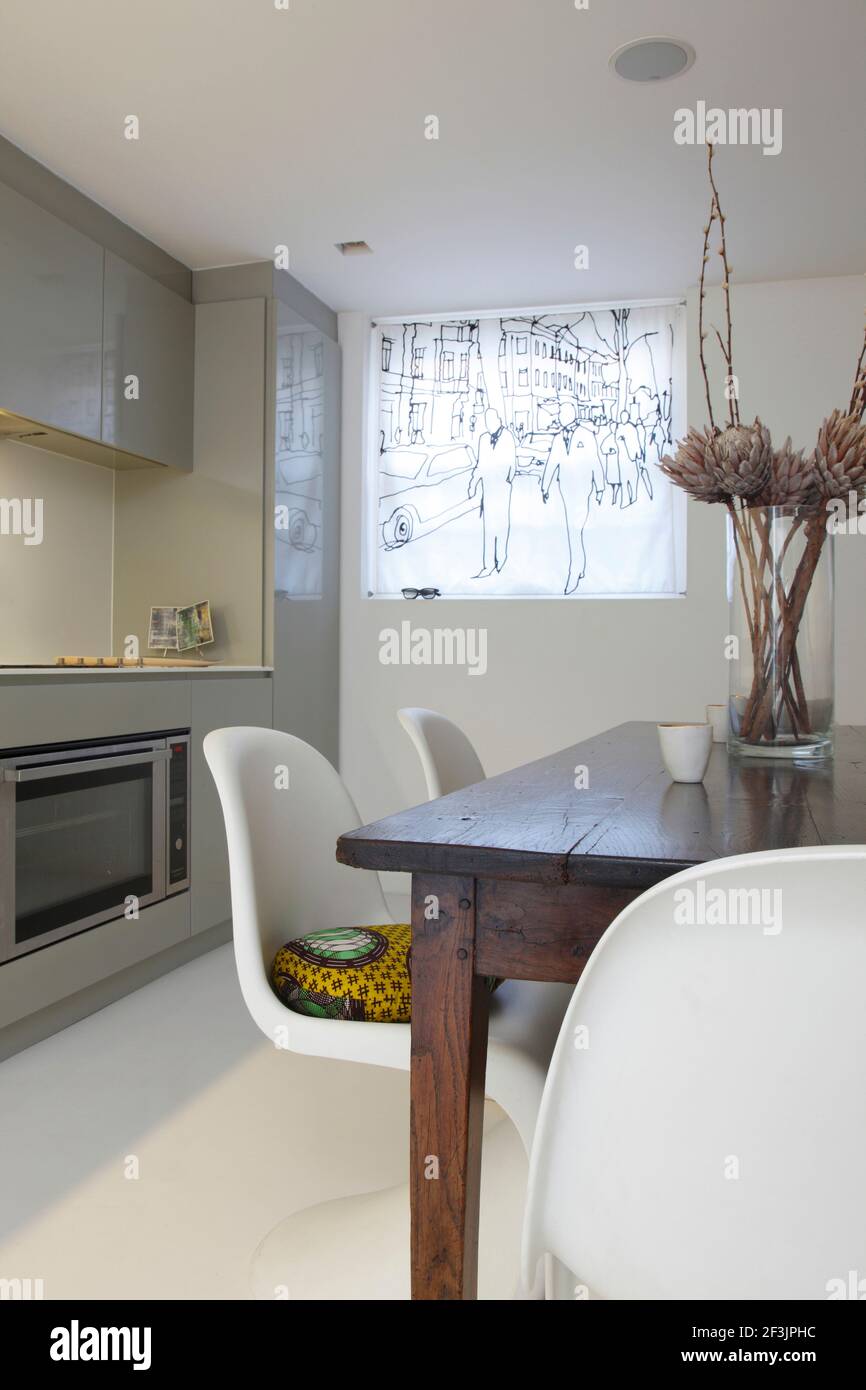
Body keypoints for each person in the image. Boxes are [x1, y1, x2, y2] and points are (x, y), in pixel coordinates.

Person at [541, 402, 604, 594]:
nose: (559, 416)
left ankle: (574, 572)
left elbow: (595, 461)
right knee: (573, 530)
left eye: (561, 413)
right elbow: (552, 462)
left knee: (575, 530)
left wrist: (600, 487)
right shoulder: (558, 438)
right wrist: (545, 486)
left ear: (571, 414)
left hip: (583, 488)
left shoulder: (586, 435)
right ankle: (581, 567)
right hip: (566, 489)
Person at [468, 407, 516, 577]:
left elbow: (512, 463)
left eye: (491, 421)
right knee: (489, 527)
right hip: (488, 489)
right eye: (486, 422)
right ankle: (488, 565)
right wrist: (473, 482)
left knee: (502, 525)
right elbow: (480, 465)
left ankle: (501, 560)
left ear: (498, 420)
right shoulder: (483, 440)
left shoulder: (508, 437)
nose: (489, 425)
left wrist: (507, 480)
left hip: (503, 488)